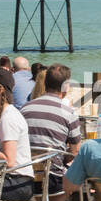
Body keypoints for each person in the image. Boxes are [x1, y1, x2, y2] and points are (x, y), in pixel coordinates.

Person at [20, 64, 82, 193]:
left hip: (24, 175)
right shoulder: (69, 113)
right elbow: (75, 152)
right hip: (52, 178)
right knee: (81, 181)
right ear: (65, 86)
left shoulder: (25, 108)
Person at [0, 68, 35, 201]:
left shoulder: (8, 117)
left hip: (18, 182)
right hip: (14, 178)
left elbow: (9, 160)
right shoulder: (0, 114)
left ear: (0, 90)